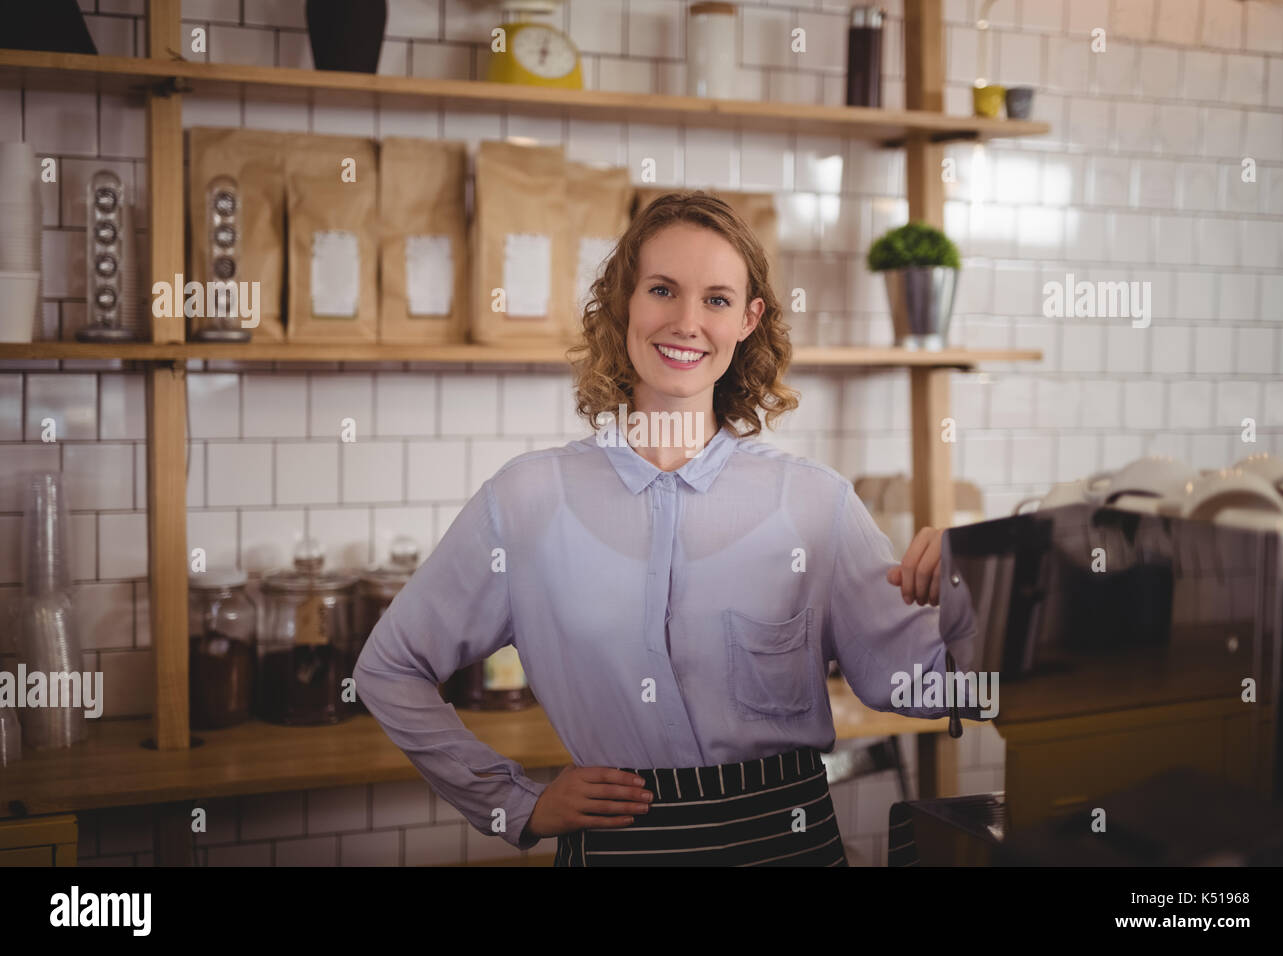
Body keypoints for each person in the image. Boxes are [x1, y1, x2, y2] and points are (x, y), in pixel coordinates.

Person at [353, 190, 979, 867]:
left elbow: (919, 681)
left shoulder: (814, 505)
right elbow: (390, 669)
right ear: (625, 302)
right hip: (620, 850)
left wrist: (981, 584)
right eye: (662, 290)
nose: (686, 321)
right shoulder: (529, 500)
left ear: (748, 319)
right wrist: (516, 803)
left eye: (715, 299)